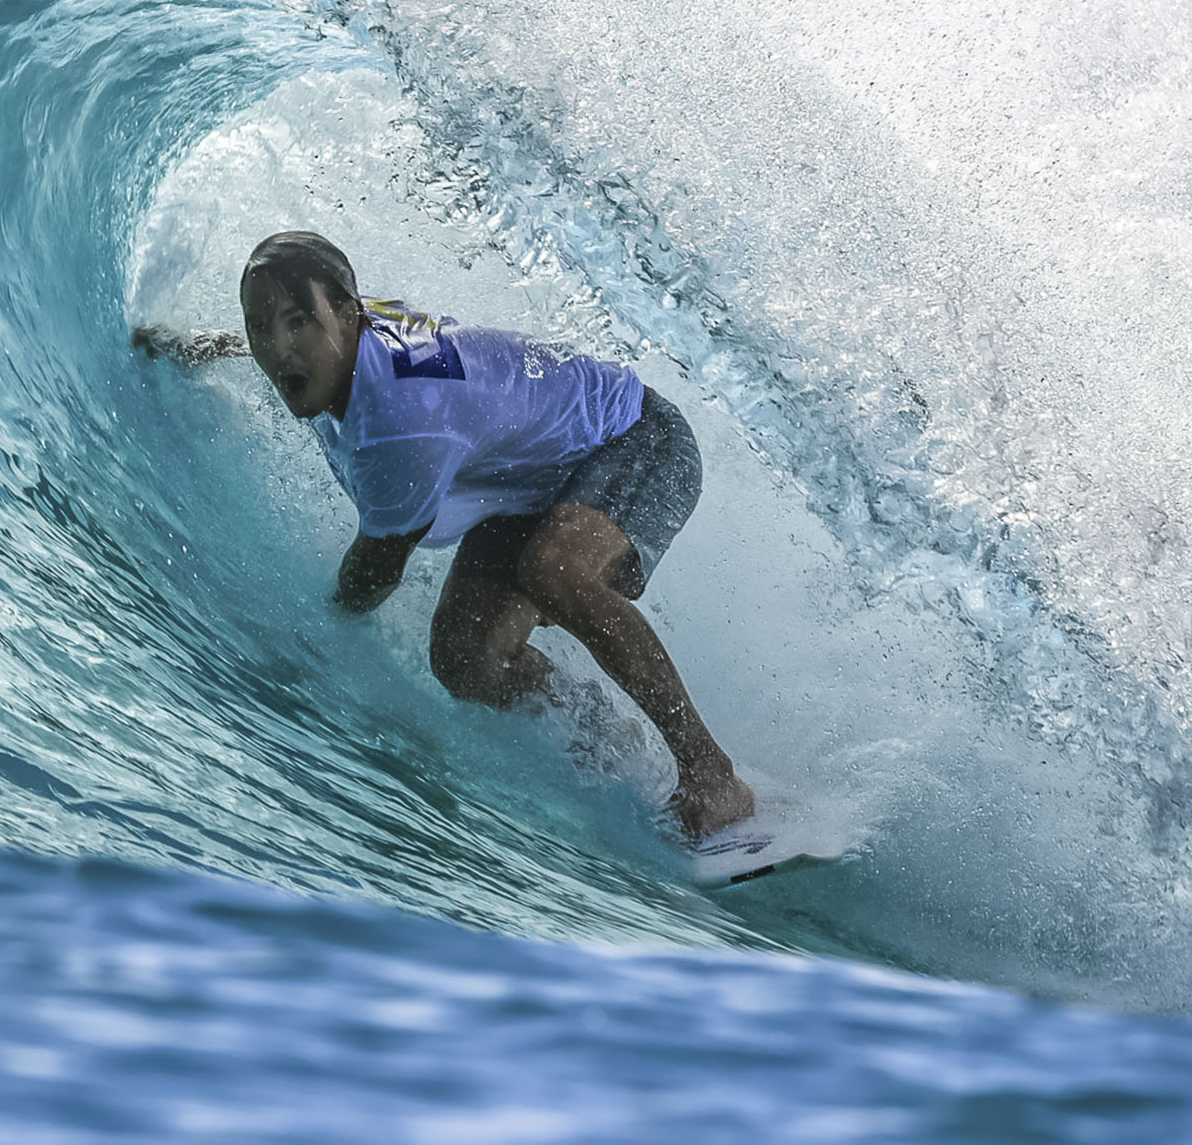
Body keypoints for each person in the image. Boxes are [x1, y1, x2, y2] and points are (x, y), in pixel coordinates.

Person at [136, 230, 756, 839]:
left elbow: (375, 571)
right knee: (466, 656)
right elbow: (288, 339)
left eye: (299, 323)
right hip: (531, 481)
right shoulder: (352, 338)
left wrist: (315, 640)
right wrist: (200, 348)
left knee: (556, 571)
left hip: (636, 440)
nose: (279, 349)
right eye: (260, 328)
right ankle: (617, 750)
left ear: (350, 316)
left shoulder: (399, 426)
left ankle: (713, 778)